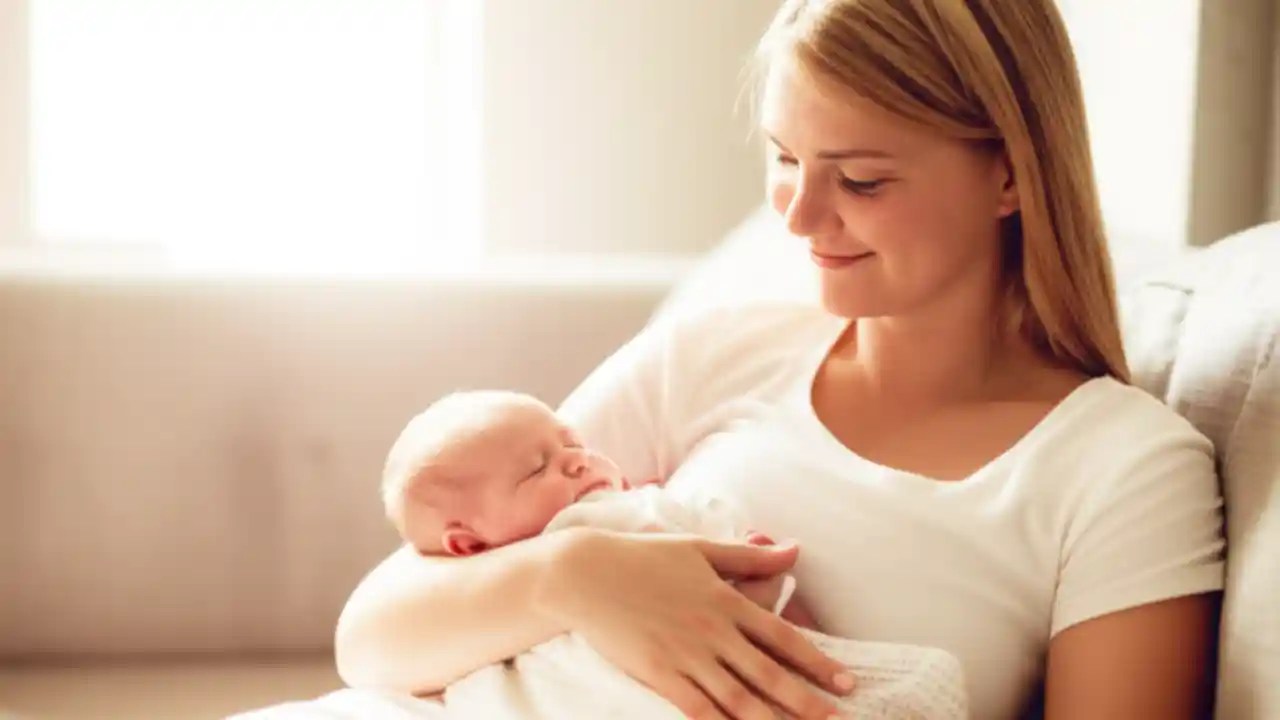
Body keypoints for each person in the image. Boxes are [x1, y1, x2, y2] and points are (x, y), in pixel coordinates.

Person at [335, 1, 1226, 718]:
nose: (797, 217)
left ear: (1011, 175)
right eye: (785, 158)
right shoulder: (721, 352)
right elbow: (375, 638)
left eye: (863, 179)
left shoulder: (1125, 471)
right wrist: (577, 577)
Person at [379, 389, 816, 628]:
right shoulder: (579, 524)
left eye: (572, 443)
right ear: (470, 544)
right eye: (535, 470)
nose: (576, 460)